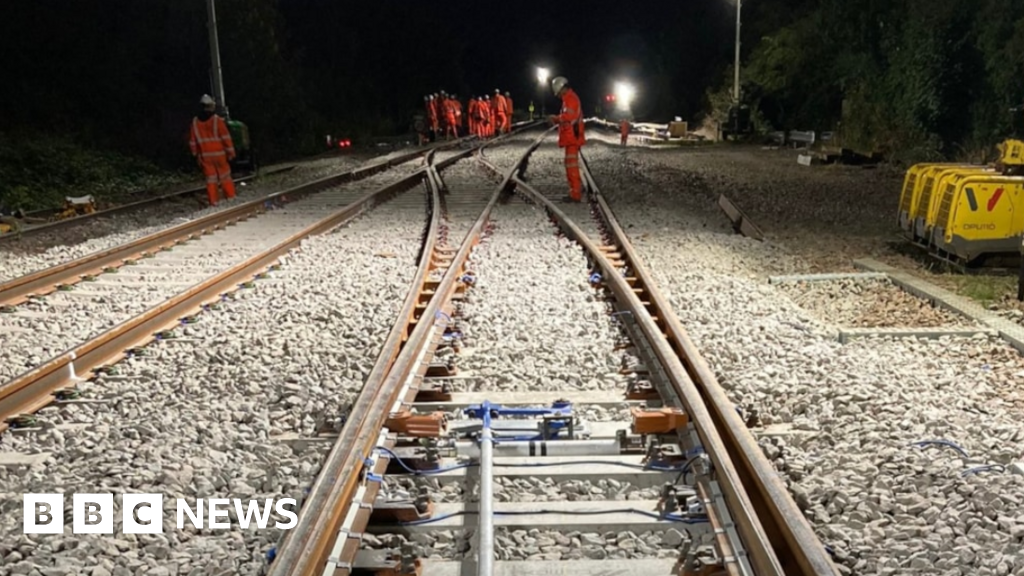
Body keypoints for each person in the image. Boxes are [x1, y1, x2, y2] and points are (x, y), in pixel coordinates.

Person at [189, 94, 236, 207]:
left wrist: (195, 154)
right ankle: (231, 198)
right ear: (211, 106)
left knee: (211, 179)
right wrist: (231, 153)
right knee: (225, 176)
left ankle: (213, 202)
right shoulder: (217, 120)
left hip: (205, 156)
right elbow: (226, 138)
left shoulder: (195, 122)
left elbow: (192, 141)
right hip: (219, 154)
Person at [547, 77, 586, 203]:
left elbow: (569, 117)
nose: (557, 95)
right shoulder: (568, 99)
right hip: (570, 138)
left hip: (572, 138)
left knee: (572, 166)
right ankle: (574, 191)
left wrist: (556, 118)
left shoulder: (571, 99)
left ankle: (576, 194)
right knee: (570, 165)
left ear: (562, 88)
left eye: (558, 92)